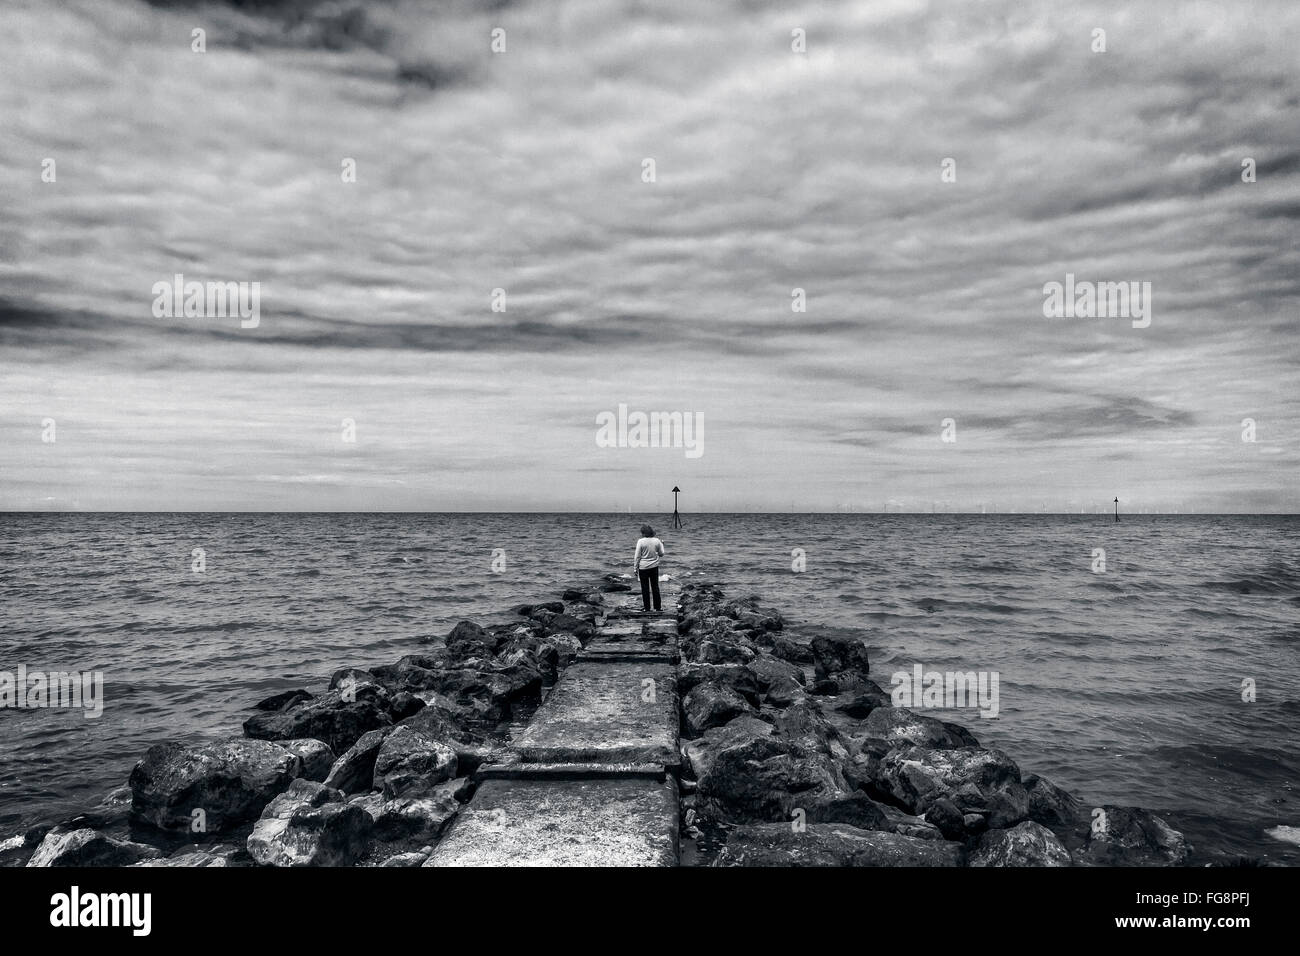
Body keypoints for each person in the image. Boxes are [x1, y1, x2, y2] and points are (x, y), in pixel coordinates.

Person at [632, 524, 665, 612]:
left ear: (643, 533)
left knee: (645, 588)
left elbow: (637, 556)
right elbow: (661, 554)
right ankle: (658, 607)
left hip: (643, 568)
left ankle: (647, 608)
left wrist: (635, 568)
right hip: (654, 567)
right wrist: (662, 544)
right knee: (655, 587)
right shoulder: (657, 541)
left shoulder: (640, 541)